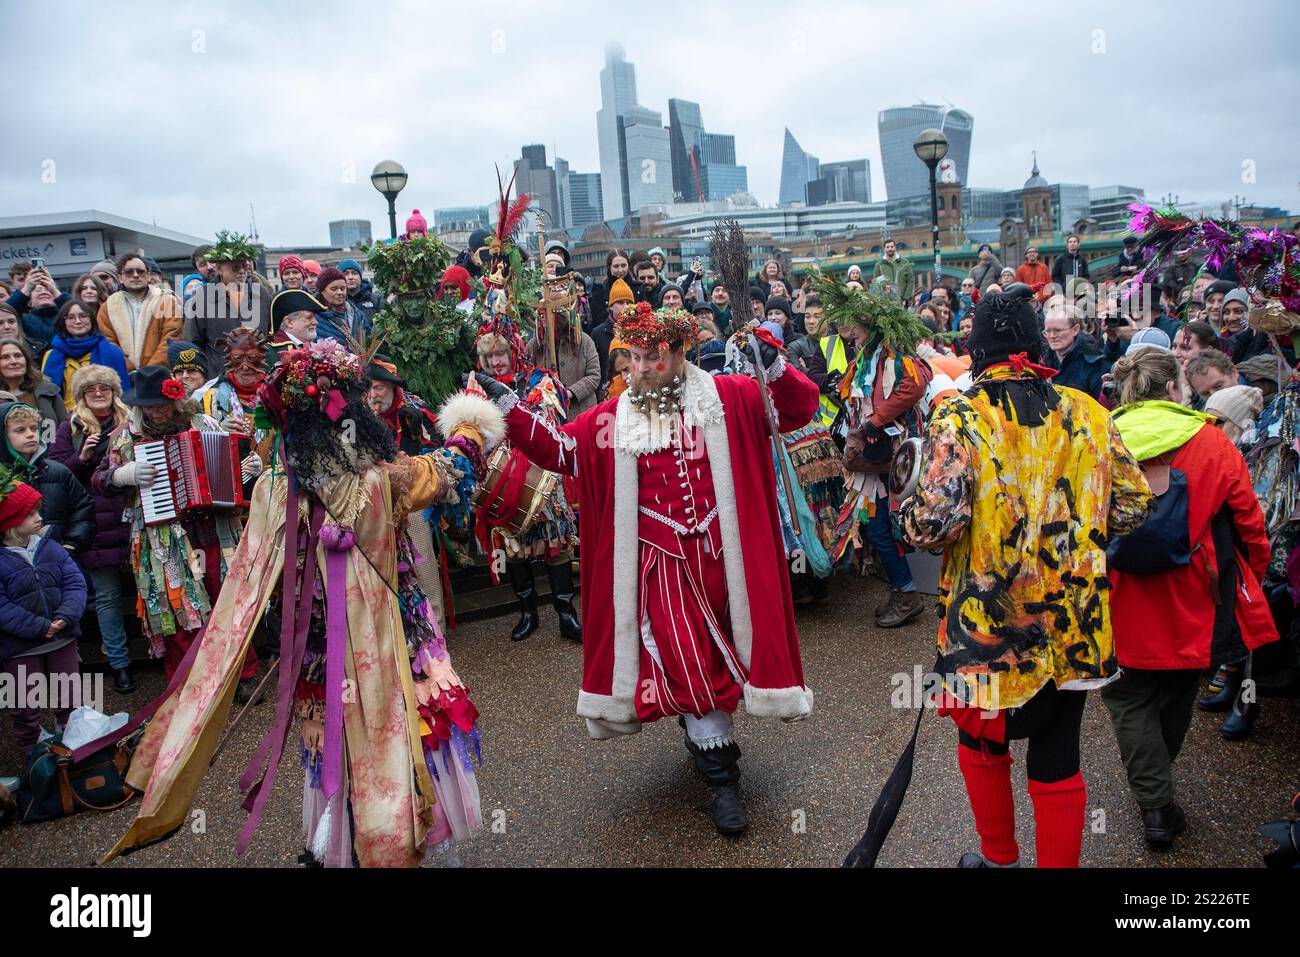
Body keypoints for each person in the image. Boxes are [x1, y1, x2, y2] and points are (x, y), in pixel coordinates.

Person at [104, 341, 499, 867]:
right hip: (393, 636)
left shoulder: (273, 485)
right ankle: (396, 830)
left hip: (317, 638)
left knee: (334, 728)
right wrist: (473, 419)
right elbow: (449, 466)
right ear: (352, 412)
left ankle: (339, 836)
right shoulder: (386, 479)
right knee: (399, 723)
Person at [474, 300, 817, 836]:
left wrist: (768, 358)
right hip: (662, 562)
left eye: (652, 358)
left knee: (731, 653)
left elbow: (796, 410)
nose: (639, 369)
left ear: (680, 352)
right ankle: (722, 781)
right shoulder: (613, 418)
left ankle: (702, 730)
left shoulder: (728, 396)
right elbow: (563, 453)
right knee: (687, 657)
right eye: (632, 358)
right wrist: (509, 410)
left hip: (728, 558)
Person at [898, 286, 1153, 868]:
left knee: (982, 739)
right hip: (1074, 617)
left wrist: (905, 498)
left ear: (977, 352)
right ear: (1037, 344)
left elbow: (929, 528)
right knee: (1060, 752)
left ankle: (999, 860)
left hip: (988, 620)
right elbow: (1135, 508)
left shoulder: (958, 415)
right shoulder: (1088, 411)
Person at [1104, 349, 1277, 847]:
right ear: (1175, 389)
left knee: (1128, 696)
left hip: (1121, 592)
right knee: (1179, 688)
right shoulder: (1211, 441)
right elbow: (1249, 521)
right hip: (1194, 593)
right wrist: (1249, 580)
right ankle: (1156, 787)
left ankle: (1155, 805)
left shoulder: (1099, 438)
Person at [92, 366, 259, 697]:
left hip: (213, 529)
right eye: (149, 405)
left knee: (226, 601)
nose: (157, 411)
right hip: (163, 540)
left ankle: (242, 674)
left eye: (162, 404)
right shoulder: (126, 437)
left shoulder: (205, 424)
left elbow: (232, 474)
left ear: (176, 400)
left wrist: (246, 469)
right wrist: (121, 475)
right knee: (179, 610)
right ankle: (189, 682)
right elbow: (99, 481)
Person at [474, 317, 580, 643]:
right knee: (512, 546)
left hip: (543, 474)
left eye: (501, 353)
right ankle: (528, 611)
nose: (495, 361)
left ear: (514, 350)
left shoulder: (539, 380)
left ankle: (565, 612)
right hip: (502, 481)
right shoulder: (476, 392)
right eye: (488, 357)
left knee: (557, 541)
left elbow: (548, 424)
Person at [834, 283, 930, 627]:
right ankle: (903, 590)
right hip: (875, 461)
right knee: (878, 526)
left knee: (884, 526)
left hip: (891, 458)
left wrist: (873, 422)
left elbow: (917, 383)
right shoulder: (869, 356)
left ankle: (907, 593)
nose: (850, 332)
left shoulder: (893, 356)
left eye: (854, 325)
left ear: (869, 324)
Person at [48, 365, 136, 692]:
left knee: (149, 589)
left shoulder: (131, 423)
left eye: (105, 388)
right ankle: (120, 663)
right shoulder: (69, 428)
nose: (99, 393)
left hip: (131, 519)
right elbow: (56, 474)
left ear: (114, 392)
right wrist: (81, 457)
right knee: (108, 596)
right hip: (96, 525)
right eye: (91, 389)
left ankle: (164, 652)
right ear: (81, 395)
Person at [0, 481, 87, 757]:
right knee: (24, 700)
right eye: (29, 514)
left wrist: (66, 615)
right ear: (10, 523)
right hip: (21, 646)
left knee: (68, 691)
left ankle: (71, 736)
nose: (39, 517)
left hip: (61, 638)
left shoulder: (51, 548)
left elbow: (75, 583)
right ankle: (32, 749)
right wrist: (39, 626)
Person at [0, 401, 94, 554]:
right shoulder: (2, 478)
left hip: (59, 559)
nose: (30, 434)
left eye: (34, 428)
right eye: (20, 430)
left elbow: (83, 512)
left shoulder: (58, 471)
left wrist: (71, 545)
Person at [182, 233, 272, 375]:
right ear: (219, 268)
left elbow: (271, 334)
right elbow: (192, 341)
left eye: (245, 266)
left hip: (259, 377)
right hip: (220, 379)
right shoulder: (203, 297)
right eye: (236, 267)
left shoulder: (261, 294)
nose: (242, 271)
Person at [95, 253, 182, 373]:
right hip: (124, 376)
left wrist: (149, 372)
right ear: (120, 277)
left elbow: (171, 337)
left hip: (160, 375)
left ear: (148, 275)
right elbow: (108, 342)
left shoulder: (166, 301)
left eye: (140, 271)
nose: (135, 275)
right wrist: (130, 369)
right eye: (129, 272)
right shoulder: (107, 307)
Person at [41, 300, 131, 410]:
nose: (78, 321)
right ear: (63, 322)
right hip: (66, 419)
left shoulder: (112, 352)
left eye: (83, 316)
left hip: (106, 417)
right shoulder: (50, 355)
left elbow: (122, 393)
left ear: (91, 319)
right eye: (71, 317)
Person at [0, 338, 66, 434]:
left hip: (51, 448)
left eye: (18, 356)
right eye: (5, 357)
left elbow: (65, 430)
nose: (14, 361)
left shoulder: (48, 391)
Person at [1043, 303, 1108, 400]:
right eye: (1048, 331)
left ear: (1075, 330)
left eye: (1057, 330)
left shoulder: (1095, 362)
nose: (1052, 336)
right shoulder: (1043, 361)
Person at [7, 264, 69, 348]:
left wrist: (54, 289)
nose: (43, 292)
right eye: (38, 290)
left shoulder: (67, 317)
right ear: (29, 301)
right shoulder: (24, 320)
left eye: (48, 289)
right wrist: (27, 288)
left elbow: (80, 310)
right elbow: (6, 312)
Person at [312, 267, 368, 346]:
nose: (339, 292)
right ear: (322, 291)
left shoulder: (357, 314)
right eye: (333, 289)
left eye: (342, 288)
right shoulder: (313, 317)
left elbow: (369, 341)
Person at [340, 258, 381, 329]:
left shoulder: (376, 300)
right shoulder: (337, 301)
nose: (350, 277)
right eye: (346, 274)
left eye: (354, 273)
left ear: (360, 276)